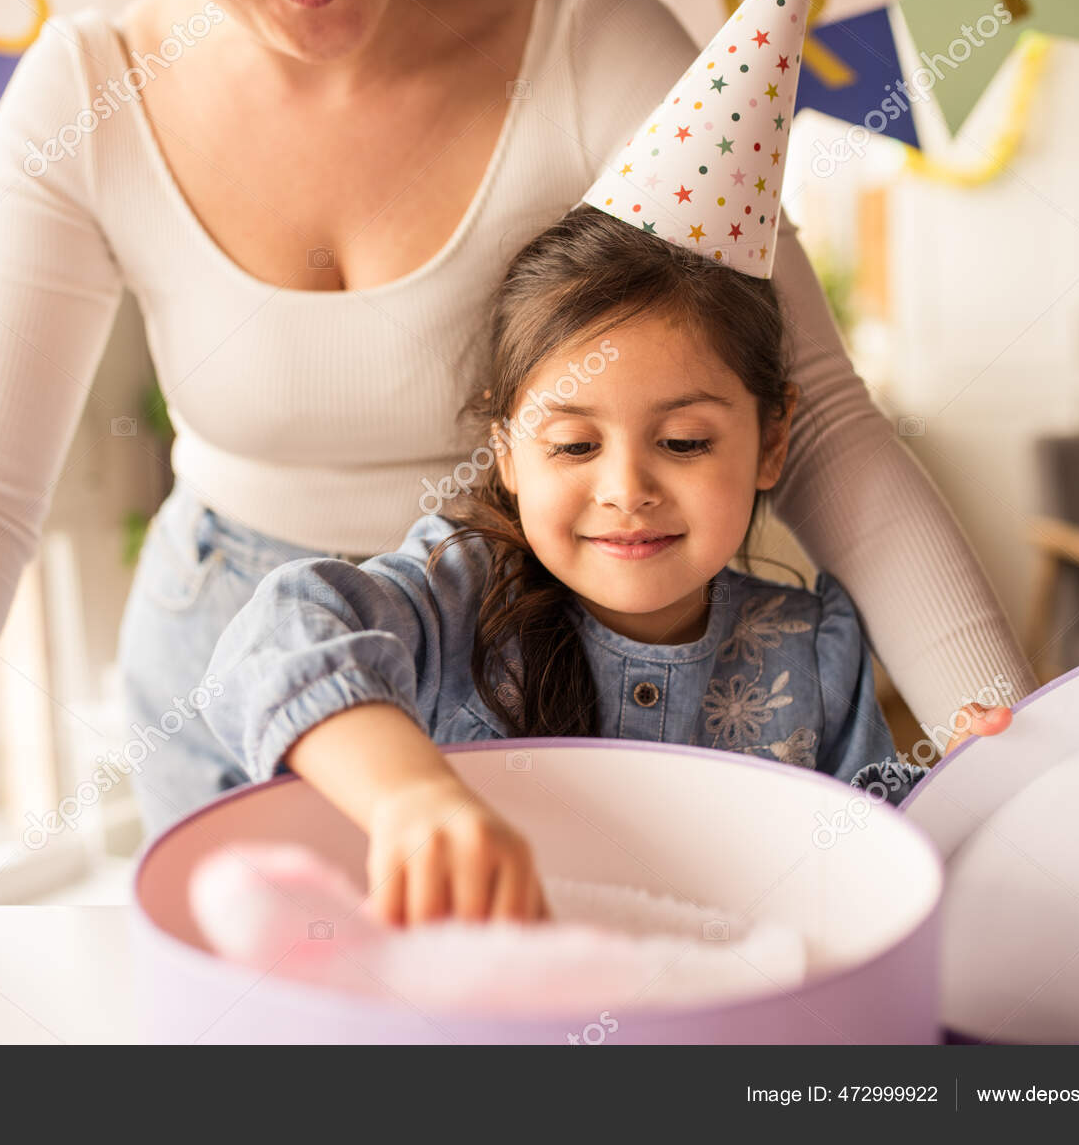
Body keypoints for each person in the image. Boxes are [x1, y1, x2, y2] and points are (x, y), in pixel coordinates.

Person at [0, 0, 1025, 991]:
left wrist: (1007, 734)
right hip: (238, 661)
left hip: (533, 635)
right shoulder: (88, 92)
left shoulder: (587, 33)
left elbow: (823, 414)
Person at [202, 203, 1010, 925]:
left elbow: (866, 873)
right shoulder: (453, 600)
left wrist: (959, 793)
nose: (626, 491)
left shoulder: (814, 647)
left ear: (771, 439)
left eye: (685, 442)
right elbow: (278, 636)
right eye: (574, 446)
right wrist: (413, 796)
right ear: (509, 456)